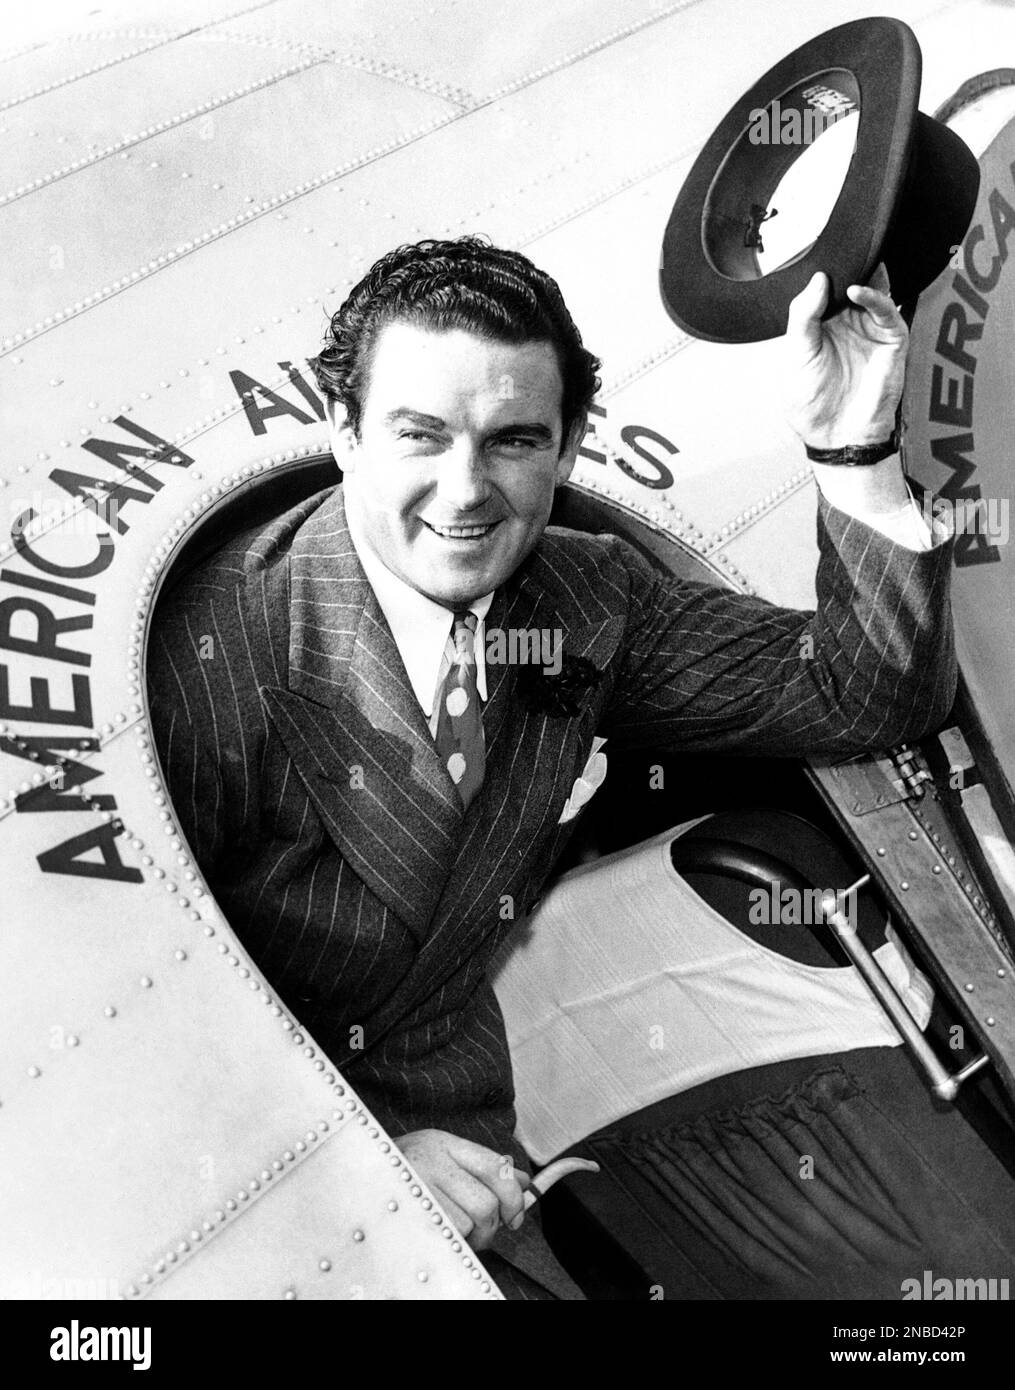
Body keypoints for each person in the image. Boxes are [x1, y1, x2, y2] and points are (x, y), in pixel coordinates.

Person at [147, 236, 955, 1299]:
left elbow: (864, 694)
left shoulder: (587, 597)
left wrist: (852, 448)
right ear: (343, 432)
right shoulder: (215, 666)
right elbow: (155, 1037)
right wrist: (368, 1159)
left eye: (514, 440)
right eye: (421, 435)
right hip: (260, 1186)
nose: (466, 489)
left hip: (478, 1139)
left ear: (567, 448)